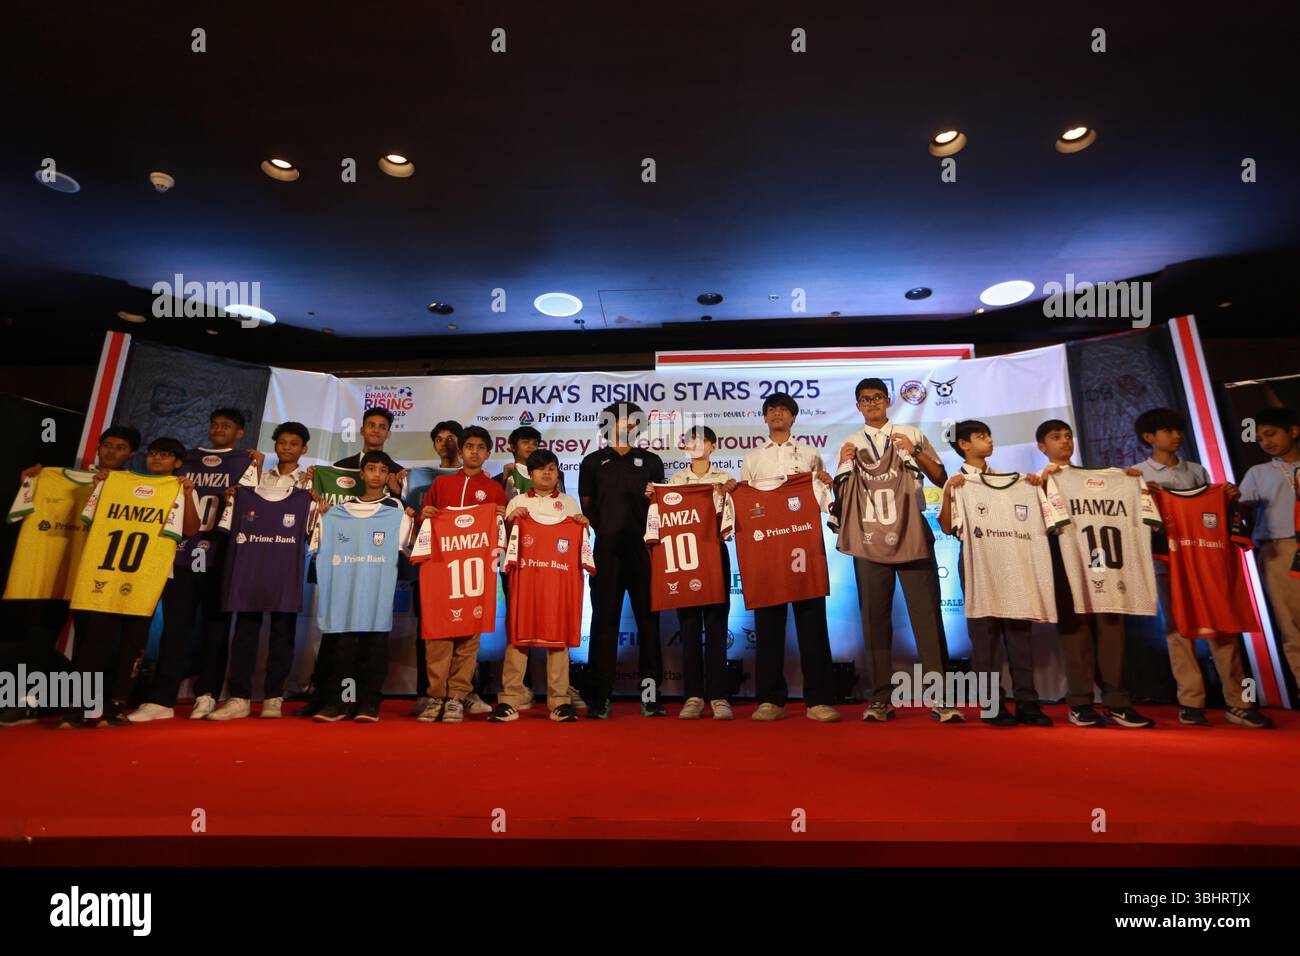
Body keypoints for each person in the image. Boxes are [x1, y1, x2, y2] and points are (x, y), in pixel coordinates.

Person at [1131, 407, 1271, 728]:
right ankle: (1191, 701)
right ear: (1149, 438)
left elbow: (1213, 513)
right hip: (1167, 563)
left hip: (1207, 559)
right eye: (1168, 430)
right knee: (1179, 630)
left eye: (1179, 430)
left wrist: (1229, 497)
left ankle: (1239, 702)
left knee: (1223, 626)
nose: (1177, 436)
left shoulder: (1197, 471)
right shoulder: (1136, 474)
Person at [833, 377, 961, 724]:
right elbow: (840, 499)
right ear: (857, 406)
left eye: (877, 397)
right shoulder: (850, 442)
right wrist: (841, 466)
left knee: (928, 618)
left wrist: (915, 451)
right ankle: (879, 699)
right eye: (864, 399)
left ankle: (943, 698)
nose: (871, 403)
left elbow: (940, 477)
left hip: (912, 532)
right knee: (874, 620)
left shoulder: (911, 433)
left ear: (888, 400)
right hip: (868, 537)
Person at [0, 426, 140, 727]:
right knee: (39, 638)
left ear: (131, 454)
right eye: (107, 445)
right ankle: (27, 703)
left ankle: (79, 706)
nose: (111, 451)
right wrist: (28, 484)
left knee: (90, 646)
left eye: (120, 447)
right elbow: (20, 514)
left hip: (96, 578)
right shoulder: (55, 479)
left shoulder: (133, 487)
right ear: (98, 448)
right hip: (55, 572)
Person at [61, 437, 199, 728]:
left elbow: (189, 530)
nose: (157, 459)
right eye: (153, 454)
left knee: (133, 645)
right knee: (94, 644)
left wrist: (187, 494)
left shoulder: (180, 488)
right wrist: (100, 485)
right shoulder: (114, 481)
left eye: (165, 456)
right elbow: (88, 518)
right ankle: (76, 709)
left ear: (177, 463)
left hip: (149, 577)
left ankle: (115, 707)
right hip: (107, 575)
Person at [1035, 420, 1152, 728]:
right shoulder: (1039, 482)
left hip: (1106, 564)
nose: (1064, 442)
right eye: (1056, 437)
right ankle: (1081, 702)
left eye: (1068, 436)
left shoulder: (1104, 479)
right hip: (1064, 564)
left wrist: (1130, 483)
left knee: (1113, 629)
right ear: (1041, 447)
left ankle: (1117, 702)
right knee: (1076, 634)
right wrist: (1042, 484)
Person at [197, 422, 315, 722]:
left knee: (282, 631)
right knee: (245, 630)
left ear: (304, 449)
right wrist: (234, 496)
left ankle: (274, 697)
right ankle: (239, 697)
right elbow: (233, 517)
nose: (287, 448)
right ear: (275, 445)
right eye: (282, 442)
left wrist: (317, 501)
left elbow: (312, 527)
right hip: (250, 565)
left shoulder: (310, 483)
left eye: (294, 444)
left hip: (286, 568)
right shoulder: (254, 479)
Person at [938, 420, 1053, 727]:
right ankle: (993, 705)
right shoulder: (959, 482)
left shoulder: (1009, 480)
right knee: (985, 637)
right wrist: (950, 490)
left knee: (1018, 633)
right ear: (963, 444)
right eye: (981, 436)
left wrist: (1033, 485)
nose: (989, 441)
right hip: (977, 564)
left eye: (989, 435)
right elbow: (947, 527)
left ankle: (1028, 702)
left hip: (1014, 559)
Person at [147, 408, 258, 720]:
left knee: (216, 628)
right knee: (174, 627)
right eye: (215, 425)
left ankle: (206, 693)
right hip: (182, 554)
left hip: (221, 557)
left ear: (239, 433)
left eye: (227, 426)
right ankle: (162, 698)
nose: (219, 429)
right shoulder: (186, 458)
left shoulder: (246, 463)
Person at [736, 392, 840, 722]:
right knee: (767, 628)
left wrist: (828, 484)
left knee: (812, 626)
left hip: (804, 552)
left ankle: (819, 700)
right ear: (765, 418)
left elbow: (825, 498)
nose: (777, 414)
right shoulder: (752, 458)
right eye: (771, 410)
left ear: (794, 418)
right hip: (766, 550)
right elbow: (743, 501)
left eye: (783, 409)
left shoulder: (810, 455)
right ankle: (771, 699)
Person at [312, 452, 417, 722]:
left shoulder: (396, 511)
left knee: (374, 650)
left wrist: (411, 522)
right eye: (371, 469)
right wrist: (322, 517)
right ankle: (337, 703)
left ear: (388, 475)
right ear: (361, 473)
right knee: (342, 650)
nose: (376, 475)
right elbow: (316, 549)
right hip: (342, 600)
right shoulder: (335, 514)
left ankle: (368, 703)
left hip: (376, 599)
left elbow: (407, 553)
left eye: (383, 470)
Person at [490, 449, 591, 722]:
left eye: (552, 468)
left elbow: (579, 543)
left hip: (559, 582)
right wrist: (511, 521)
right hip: (525, 581)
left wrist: (582, 525)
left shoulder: (570, 504)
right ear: (531, 474)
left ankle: (559, 701)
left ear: (558, 473)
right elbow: (505, 545)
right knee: (518, 636)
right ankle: (510, 699)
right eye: (540, 469)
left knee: (557, 637)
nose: (547, 473)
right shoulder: (517, 503)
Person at [579, 403, 665, 718]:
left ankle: (651, 697)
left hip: (644, 553)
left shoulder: (652, 461)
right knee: (604, 623)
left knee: (649, 624)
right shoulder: (592, 462)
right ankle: (599, 698)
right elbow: (587, 507)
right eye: (619, 419)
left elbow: (661, 506)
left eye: (632, 420)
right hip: (607, 552)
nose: (626, 423)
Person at [415, 426, 506, 723]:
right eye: (470, 446)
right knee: (438, 634)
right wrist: (424, 514)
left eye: (481, 447)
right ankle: (435, 696)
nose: (475, 451)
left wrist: (500, 519)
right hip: (442, 570)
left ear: (488, 453)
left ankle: (456, 697)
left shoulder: (494, 489)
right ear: (461, 450)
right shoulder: (441, 486)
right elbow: (426, 521)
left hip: (477, 574)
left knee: (469, 636)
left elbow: (501, 532)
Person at [654, 425, 734, 720]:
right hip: (683, 558)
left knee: (716, 626)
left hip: (714, 554)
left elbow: (733, 522)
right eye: (691, 441)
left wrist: (731, 493)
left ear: (713, 446)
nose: (697, 445)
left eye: (703, 441)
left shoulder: (725, 479)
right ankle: (693, 696)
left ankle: (719, 696)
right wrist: (654, 495)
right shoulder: (675, 480)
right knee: (688, 627)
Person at [1236, 407, 1300, 690]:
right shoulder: (1258, 472)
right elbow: (1239, 508)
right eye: (1261, 439)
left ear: (1293, 431)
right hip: (1280, 550)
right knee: (1291, 624)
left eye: (1271, 434)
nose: (1266, 442)